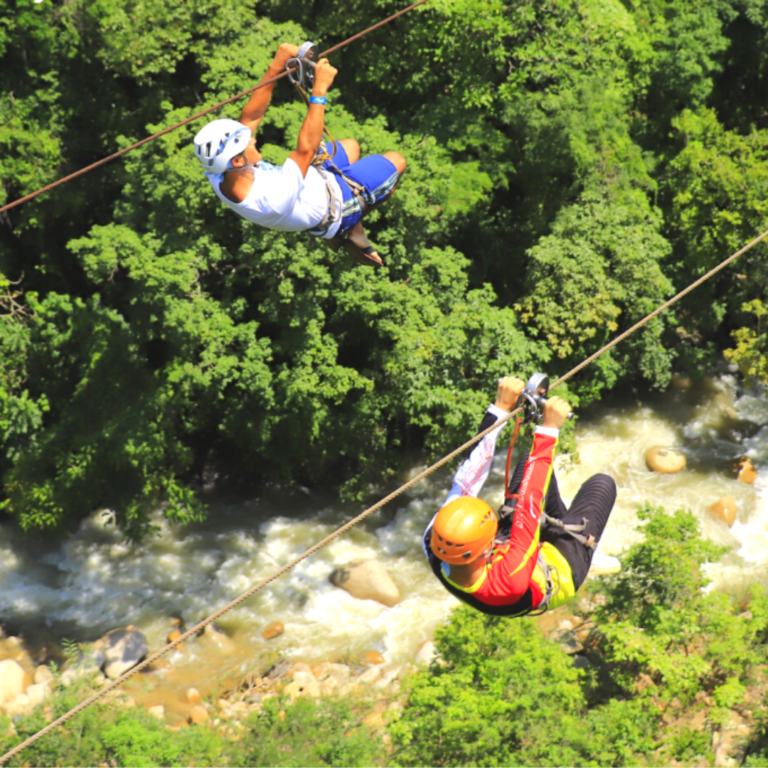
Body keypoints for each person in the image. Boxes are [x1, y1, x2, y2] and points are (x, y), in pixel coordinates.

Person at [193, 43, 407, 267]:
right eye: (248, 142)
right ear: (237, 160)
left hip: (311, 180)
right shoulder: (272, 201)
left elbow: (251, 116)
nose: (254, 139)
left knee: (351, 146)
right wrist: (320, 90)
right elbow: (306, 149)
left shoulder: (219, 172)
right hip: (333, 206)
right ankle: (347, 228)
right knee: (396, 161)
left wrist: (277, 64)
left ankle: (350, 222)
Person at [423, 376, 620, 617]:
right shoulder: (509, 577)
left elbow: (467, 478)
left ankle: (563, 528)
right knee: (602, 484)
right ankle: (588, 556)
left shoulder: (435, 539)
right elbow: (530, 503)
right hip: (560, 571)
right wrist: (548, 430)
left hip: (508, 550)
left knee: (529, 459)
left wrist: (500, 407)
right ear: (489, 547)